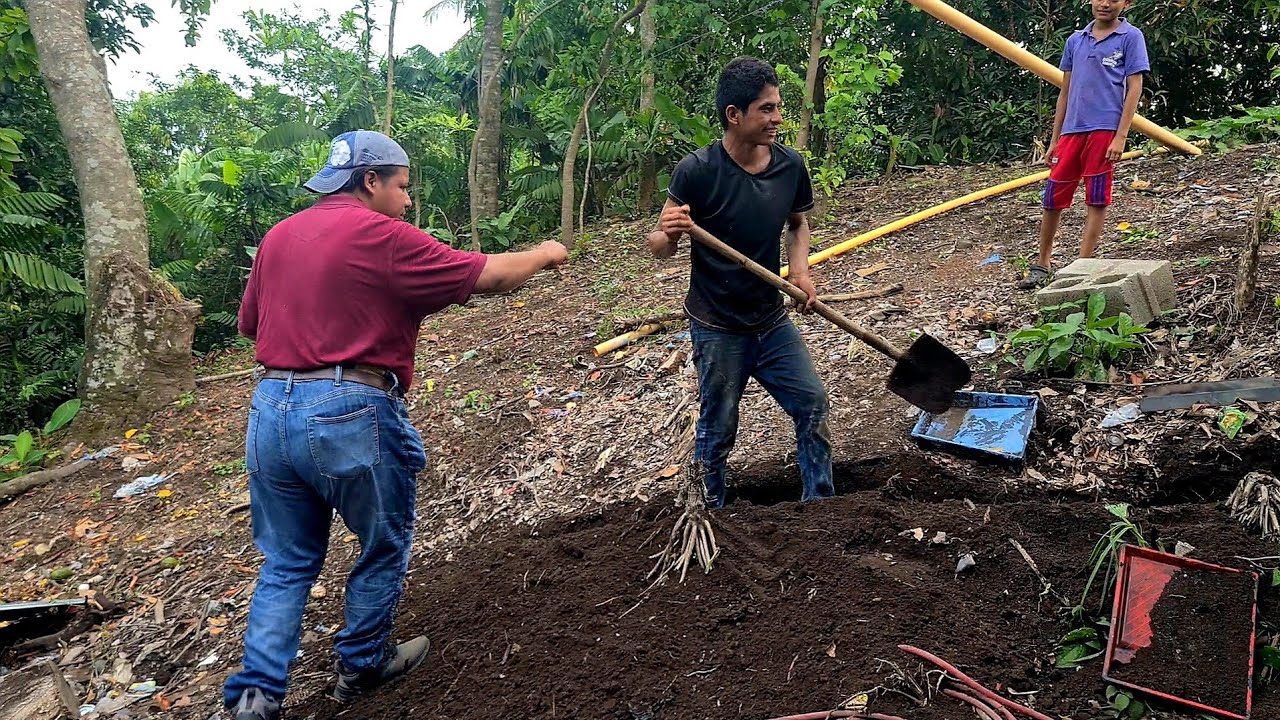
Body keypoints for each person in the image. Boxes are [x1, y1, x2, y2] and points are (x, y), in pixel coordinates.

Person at [223, 130, 568, 720]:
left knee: (285, 561)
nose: (408, 201)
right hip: (347, 409)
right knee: (384, 540)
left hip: (268, 410)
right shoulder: (380, 235)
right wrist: (545, 253)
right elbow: (489, 276)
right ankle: (362, 665)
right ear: (370, 182)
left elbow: (249, 326)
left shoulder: (279, 236)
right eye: (403, 187)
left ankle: (255, 698)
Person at [645, 57, 834, 509]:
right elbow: (659, 247)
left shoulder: (789, 166)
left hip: (770, 320)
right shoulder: (697, 171)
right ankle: (711, 513)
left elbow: (797, 223)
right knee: (719, 426)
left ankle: (822, 510)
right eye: (766, 109)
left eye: (778, 107)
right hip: (717, 327)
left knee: (812, 402)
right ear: (735, 115)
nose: (777, 118)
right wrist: (668, 231)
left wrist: (801, 274)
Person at [1018, 0, 1149, 290]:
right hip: (1072, 131)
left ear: (1126, 3)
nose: (1105, 3)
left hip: (1105, 130)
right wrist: (1055, 140)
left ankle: (1082, 266)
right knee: (1053, 197)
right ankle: (1042, 262)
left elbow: (1134, 88)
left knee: (1096, 198)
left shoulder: (1130, 37)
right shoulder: (1075, 40)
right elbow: (1065, 91)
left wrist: (1121, 136)